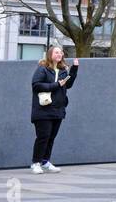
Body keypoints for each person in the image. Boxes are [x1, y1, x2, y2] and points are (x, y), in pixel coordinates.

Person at [30, 46, 79, 174]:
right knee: (43, 137)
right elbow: (36, 85)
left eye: (61, 52)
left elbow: (68, 84)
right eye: (56, 52)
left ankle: (45, 161)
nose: (59, 54)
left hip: (58, 109)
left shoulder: (63, 70)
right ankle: (36, 163)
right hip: (43, 110)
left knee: (51, 137)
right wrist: (56, 85)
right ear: (50, 54)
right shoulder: (43, 69)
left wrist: (74, 69)